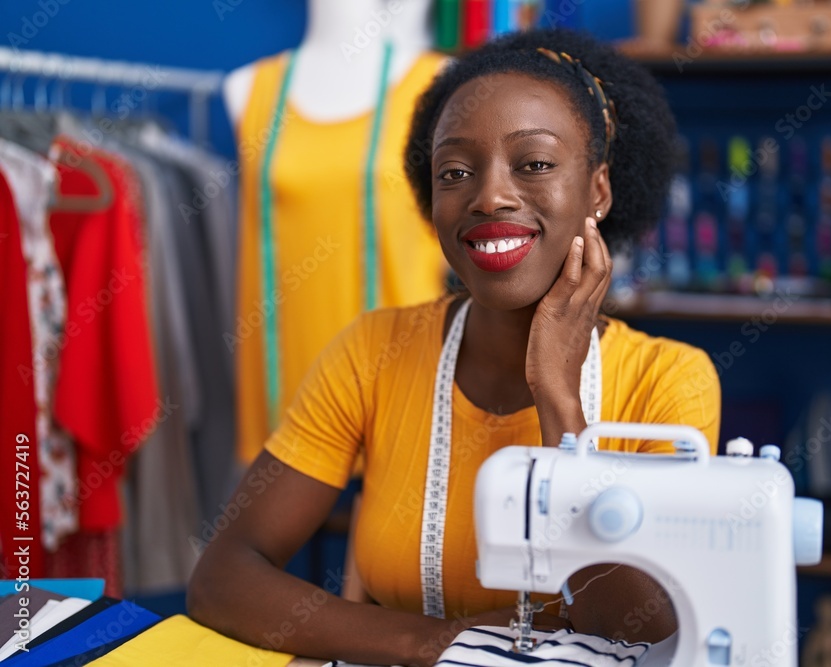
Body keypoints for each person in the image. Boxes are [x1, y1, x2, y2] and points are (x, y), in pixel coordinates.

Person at [188, 28, 721, 667]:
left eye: (535, 164)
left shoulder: (670, 380)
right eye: (456, 171)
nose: (489, 195)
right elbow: (222, 577)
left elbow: (638, 627)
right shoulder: (373, 350)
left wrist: (559, 401)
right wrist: (446, 644)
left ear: (598, 191)